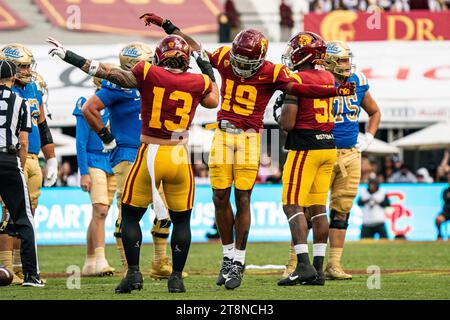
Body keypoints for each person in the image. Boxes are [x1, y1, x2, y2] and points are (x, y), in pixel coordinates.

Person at [138, 13, 355, 290]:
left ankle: (238, 261)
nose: (240, 66)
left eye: (247, 62)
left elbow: (303, 86)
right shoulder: (226, 57)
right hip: (223, 135)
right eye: (237, 60)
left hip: (251, 139)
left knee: (242, 199)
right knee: (219, 197)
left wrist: (333, 91)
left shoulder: (272, 71)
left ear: (260, 58)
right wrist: (169, 26)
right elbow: (195, 47)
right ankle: (227, 258)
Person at [47, 34, 219, 293]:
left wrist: (70, 56)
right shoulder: (199, 81)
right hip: (179, 156)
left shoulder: (148, 73)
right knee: (181, 221)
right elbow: (213, 99)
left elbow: (108, 72)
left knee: (129, 216)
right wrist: (205, 64)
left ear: (160, 57)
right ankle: (176, 278)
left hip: (149, 152)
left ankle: (134, 274)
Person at [81, 42, 182, 280]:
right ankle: (128, 266)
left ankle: (160, 262)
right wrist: (107, 138)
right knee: (127, 210)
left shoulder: (155, 81)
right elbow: (89, 109)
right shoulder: (118, 85)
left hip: (155, 150)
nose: (154, 64)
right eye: (149, 60)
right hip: (126, 153)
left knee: (164, 208)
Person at [282, 40, 382, 280]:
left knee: (340, 210)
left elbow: (374, 111)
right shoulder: (322, 79)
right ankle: (295, 263)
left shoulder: (357, 80)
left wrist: (368, 137)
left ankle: (333, 264)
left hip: (348, 153)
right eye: (342, 60)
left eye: (348, 59)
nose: (347, 65)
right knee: (307, 209)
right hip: (323, 147)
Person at [275, 32, 336, 286]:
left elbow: (288, 123)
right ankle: (319, 269)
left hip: (306, 147)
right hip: (328, 145)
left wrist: (279, 112)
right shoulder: (328, 76)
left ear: (304, 53)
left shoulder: (297, 78)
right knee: (318, 208)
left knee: (292, 205)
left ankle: (303, 265)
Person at [0, 44, 58, 283]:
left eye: (26, 65)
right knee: (8, 216)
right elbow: (22, 138)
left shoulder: (34, 89)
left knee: (26, 214)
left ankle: (19, 269)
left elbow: (42, 126)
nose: (26, 70)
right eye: (21, 66)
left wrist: (51, 157)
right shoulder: (17, 97)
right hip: (14, 158)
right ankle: (6, 268)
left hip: (31, 158)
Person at [73, 78, 117, 277]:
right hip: (94, 160)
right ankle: (100, 260)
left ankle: (90, 261)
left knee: (101, 213)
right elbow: (81, 141)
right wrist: (83, 172)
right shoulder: (85, 102)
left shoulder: (118, 101)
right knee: (100, 210)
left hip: (113, 161)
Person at [436, 172, 450, 240]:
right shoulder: (446, 191)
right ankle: (439, 234)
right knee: (438, 219)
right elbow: (444, 199)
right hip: (446, 212)